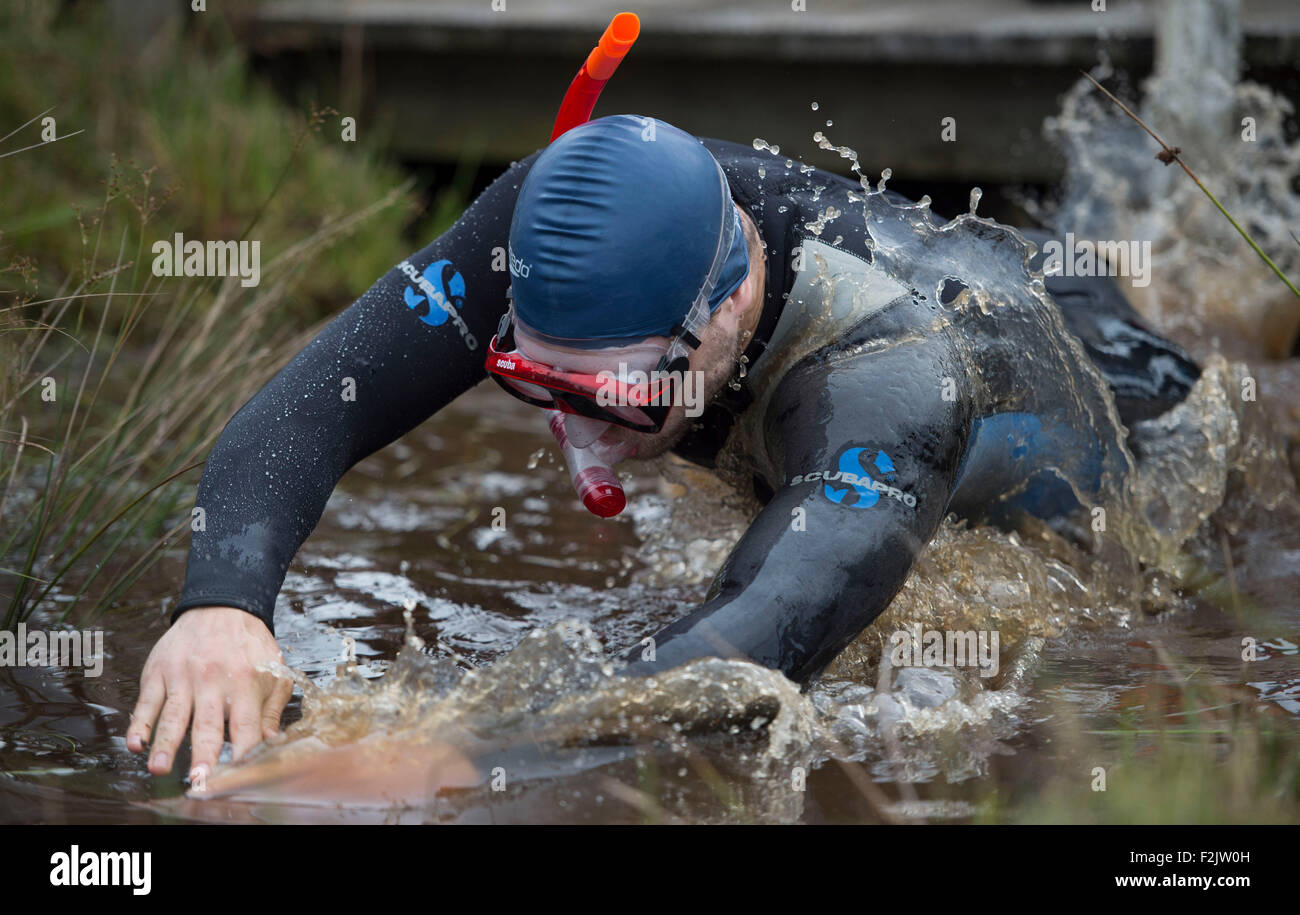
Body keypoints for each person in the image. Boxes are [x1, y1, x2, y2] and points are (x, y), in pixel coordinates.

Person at [127, 113, 1200, 781]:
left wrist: (463, 752)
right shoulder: (543, 216)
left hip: (1113, 390)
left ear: (728, 303)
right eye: (540, 385)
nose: (583, 432)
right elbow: (315, 402)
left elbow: (750, 654)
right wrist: (223, 600)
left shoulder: (893, 376)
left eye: (618, 394)